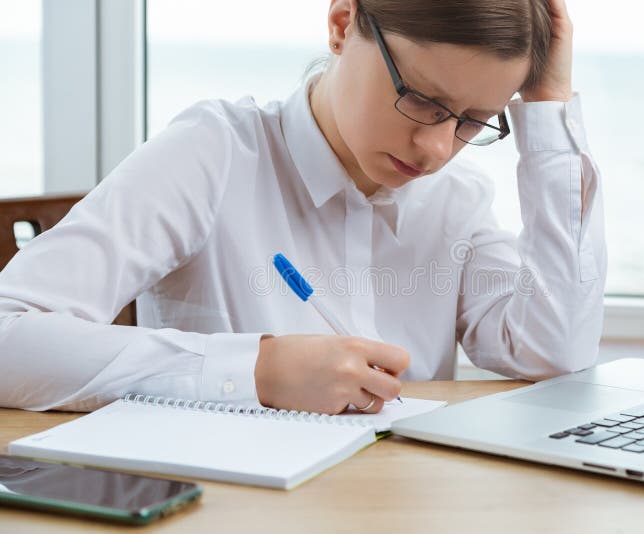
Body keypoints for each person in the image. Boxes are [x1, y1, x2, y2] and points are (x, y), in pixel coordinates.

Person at [0, 0, 606, 415]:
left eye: (473, 121)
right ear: (343, 23)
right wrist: (255, 371)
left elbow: (555, 350)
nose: (436, 148)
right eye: (422, 100)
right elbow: (9, 338)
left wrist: (548, 107)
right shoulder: (215, 153)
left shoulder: (458, 198)